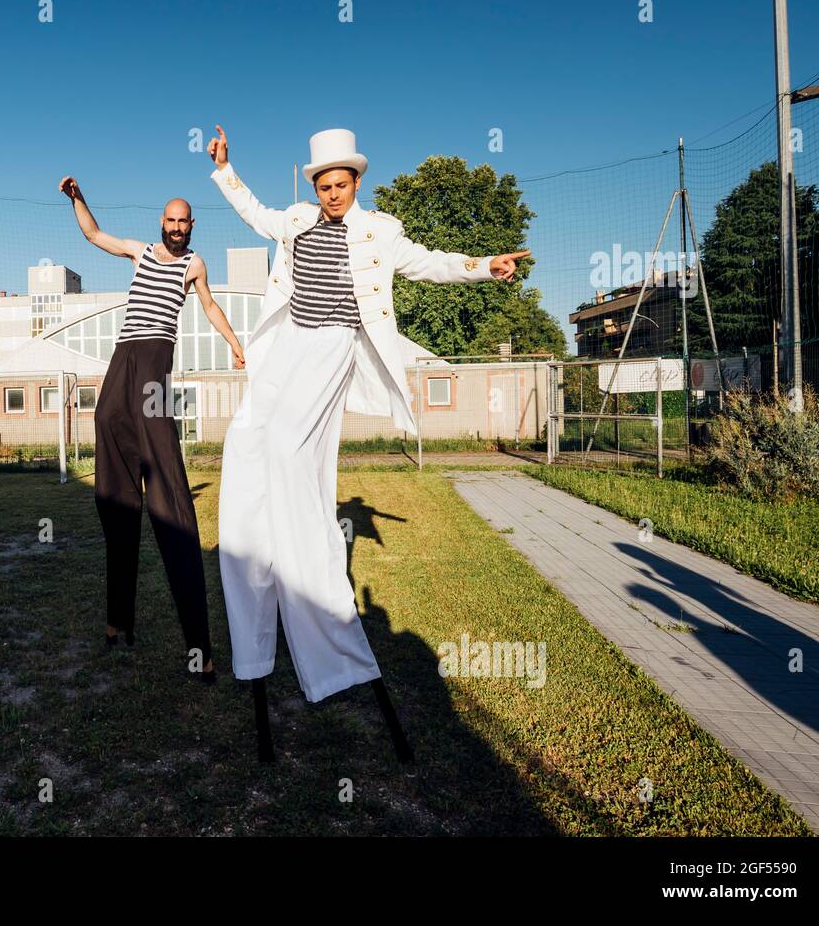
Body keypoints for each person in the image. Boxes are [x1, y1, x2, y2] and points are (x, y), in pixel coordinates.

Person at [207, 125, 529, 761]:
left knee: (291, 454)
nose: (330, 193)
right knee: (246, 441)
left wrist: (483, 268)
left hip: (334, 345)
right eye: (322, 184)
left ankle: (306, 564)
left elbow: (429, 264)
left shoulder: (381, 232)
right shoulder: (297, 219)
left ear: (356, 182)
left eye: (339, 184)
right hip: (288, 342)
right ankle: (256, 550)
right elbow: (255, 213)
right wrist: (225, 168)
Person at [59, 174, 245, 683]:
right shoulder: (140, 252)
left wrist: (233, 341)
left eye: (185, 221)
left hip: (155, 372)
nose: (178, 227)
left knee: (170, 500)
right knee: (115, 488)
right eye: (171, 220)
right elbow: (94, 236)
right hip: (122, 364)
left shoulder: (193, 265)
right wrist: (79, 197)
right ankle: (118, 622)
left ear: (191, 227)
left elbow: (208, 305)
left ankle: (200, 648)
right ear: (161, 223)